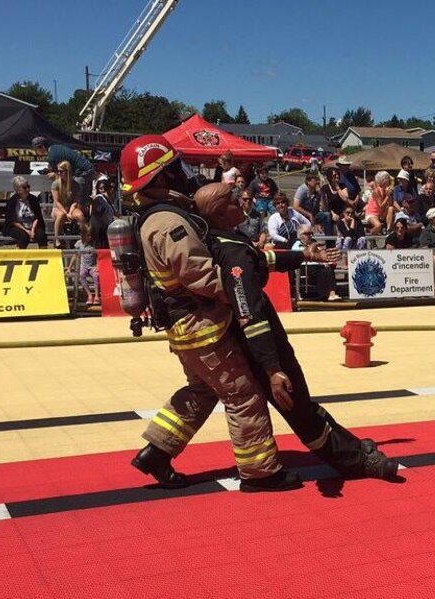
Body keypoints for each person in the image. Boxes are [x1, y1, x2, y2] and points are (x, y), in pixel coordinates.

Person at [120, 134, 301, 493]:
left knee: (202, 391)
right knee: (243, 394)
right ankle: (260, 473)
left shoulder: (156, 217)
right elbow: (200, 275)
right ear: (161, 178)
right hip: (203, 327)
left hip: (185, 329)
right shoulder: (167, 222)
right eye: (174, 168)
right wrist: (242, 287)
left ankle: (156, 451)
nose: (182, 173)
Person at [194, 181, 402, 480]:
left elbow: (263, 260)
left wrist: (305, 255)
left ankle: (156, 454)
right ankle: (355, 461)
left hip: (260, 345)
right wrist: (272, 368)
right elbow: (250, 315)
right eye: (231, 200)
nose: (240, 201)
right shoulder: (233, 255)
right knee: (300, 409)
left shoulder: (230, 241)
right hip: (264, 347)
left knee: (300, 406)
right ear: (219, 213)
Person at [33, 136, 94, 206]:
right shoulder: (55, 148)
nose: (36, 152)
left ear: (41, 147)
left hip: (82, 172)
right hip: (88, 169)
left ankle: (92, 212)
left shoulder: (51, 157)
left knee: (78, 201)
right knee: (84, 199)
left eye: (36, 149)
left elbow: (62, 175)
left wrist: (54, 175)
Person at [49, 161, 89, 247]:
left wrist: (70, 212)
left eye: (61, 171)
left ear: (67, 172)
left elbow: (75, 201)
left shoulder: (75, 184)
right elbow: (57, 201)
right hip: (58, 207)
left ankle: (85, 237)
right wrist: (66, 213)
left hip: (71, 207)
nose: (59, 173)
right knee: (61, 215)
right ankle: (57, 240)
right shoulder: (55, 184)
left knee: (80, 215)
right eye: (58, 171)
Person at [5, 176, 45, 249]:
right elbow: (12, 220)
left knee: (41, 234)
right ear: (17, 190)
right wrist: (27, 231)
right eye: (24, 187)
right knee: (23, 236)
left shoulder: (33, 199)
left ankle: (45, 254)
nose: (27, 189)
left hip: (32, 225)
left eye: (28, 187)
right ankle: (19, 255)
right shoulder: (12, 201)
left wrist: (32, 230)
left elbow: (37, 217)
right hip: (17, 226)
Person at [69, 227, 100, 305]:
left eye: (90, 235)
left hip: (93, 266)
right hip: (84, 265)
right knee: (81, 275)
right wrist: (69, 267)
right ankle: (89, 295)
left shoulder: (95, 244)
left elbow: (99, 256)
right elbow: (75, 255)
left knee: (96, 275)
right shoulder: (79, 243)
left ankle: (96, 295)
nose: (89, 237)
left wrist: (98, 266)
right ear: (83, 235)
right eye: (87, 235)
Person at [89, 178, 120, 248]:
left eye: (105, 188)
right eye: (101, 188)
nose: (103, 190)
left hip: (107, 231)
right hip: (100, 231)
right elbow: (97, 213)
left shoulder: (110, 202)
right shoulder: (99, 198)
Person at [363, 170, 391, 236]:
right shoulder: (376, 191)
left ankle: (388, 229)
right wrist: (387, 196)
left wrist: (389, 196)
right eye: (387, 178)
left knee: (391, 208)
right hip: (372, 213)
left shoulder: (385, 189)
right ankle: (369, 236)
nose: (389, 180)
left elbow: (389, 203)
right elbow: (380, 205)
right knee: (378, 226)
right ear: (383, 180)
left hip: (381, 213)